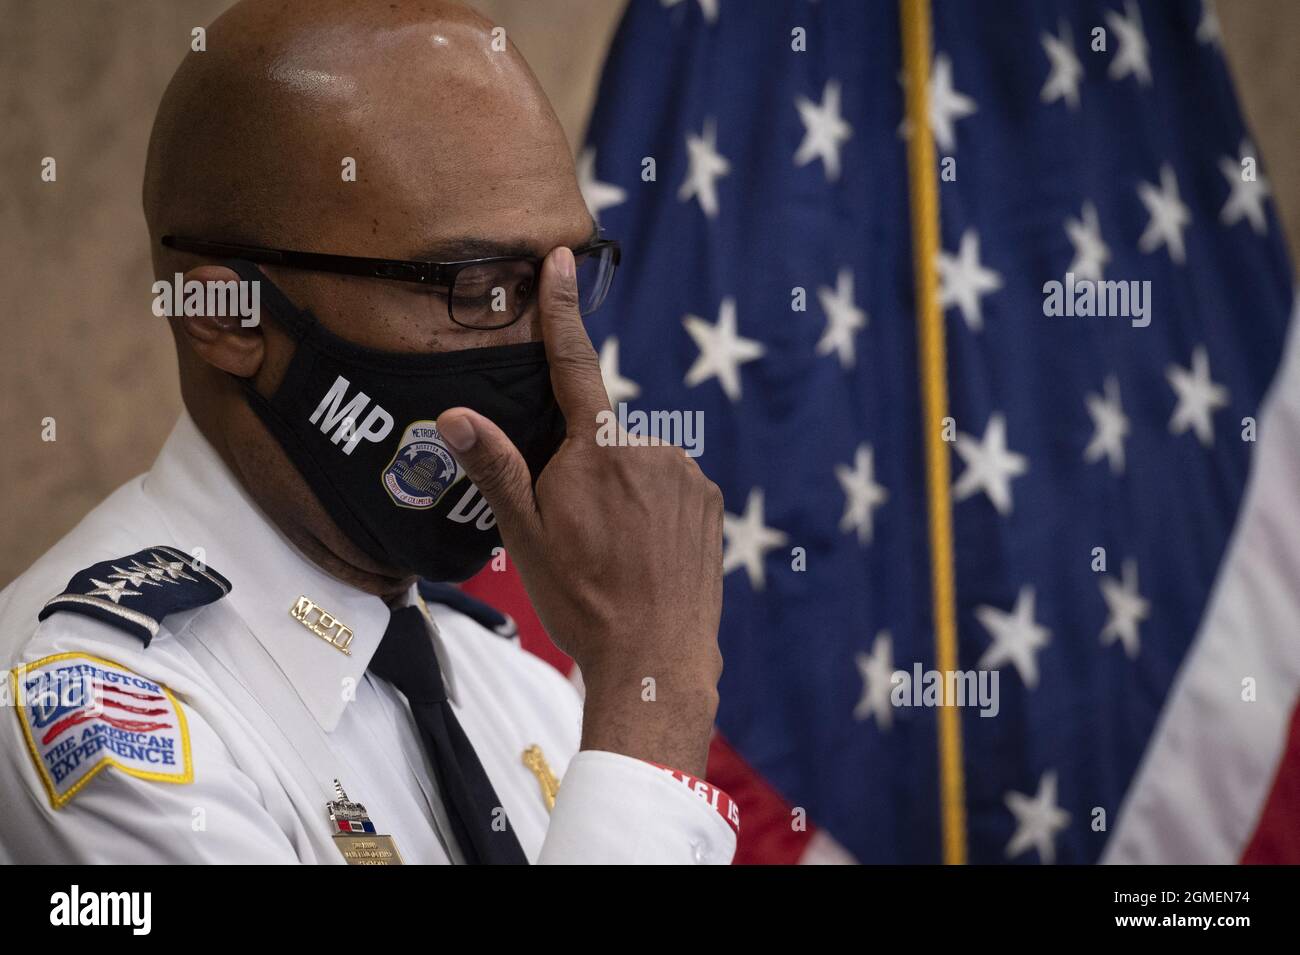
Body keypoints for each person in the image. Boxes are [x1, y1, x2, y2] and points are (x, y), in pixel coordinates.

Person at [0, 0, 735, 864]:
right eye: (479, 287)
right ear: (230, 315)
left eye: (570, 276)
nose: (553, 345)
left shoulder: (520, 691)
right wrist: (652, 703)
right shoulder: (96, 710)